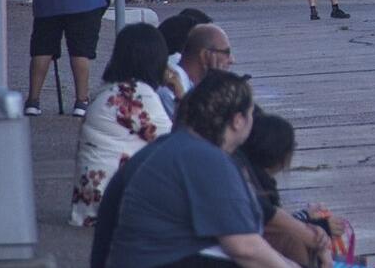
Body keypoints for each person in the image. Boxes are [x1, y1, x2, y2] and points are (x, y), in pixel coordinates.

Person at [91, 71, 297, 268]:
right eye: (251, 114)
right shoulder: (207, 159)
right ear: (238, 121)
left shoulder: (179, 147)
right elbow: (244, 248)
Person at [70, 24, 172, 227]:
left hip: (90, 201)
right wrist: (179, 92)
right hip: (112, 205)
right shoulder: (135, 94)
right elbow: (180, 142)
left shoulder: (109, 90)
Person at [237, 112, 336, 267]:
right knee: (291, 240)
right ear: (282, 157)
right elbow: (267, 219)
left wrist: (306, 217)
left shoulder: (247, 173)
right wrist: (319, 230)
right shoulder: (254, 185)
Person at [157, 23, 235, 119]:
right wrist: (215, 86)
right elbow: (204, 129)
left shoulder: (193, 84)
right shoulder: (171, 86)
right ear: (204, 55)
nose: (232, 60)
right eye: (226, 53)